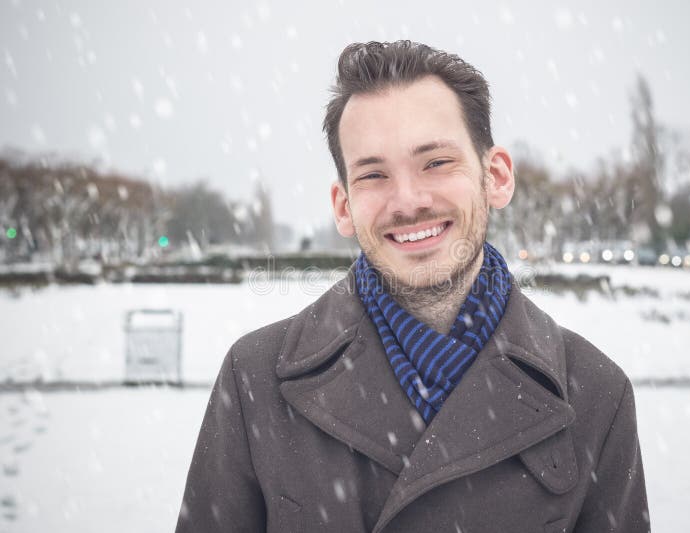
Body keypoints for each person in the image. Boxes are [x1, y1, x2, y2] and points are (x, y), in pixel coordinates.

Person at [176, 40, 650, 533]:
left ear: (497, 176)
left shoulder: (596, 394)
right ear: (343, 206)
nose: (407, 201)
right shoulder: (253, 380)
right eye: (374, 174)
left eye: (436, 162)